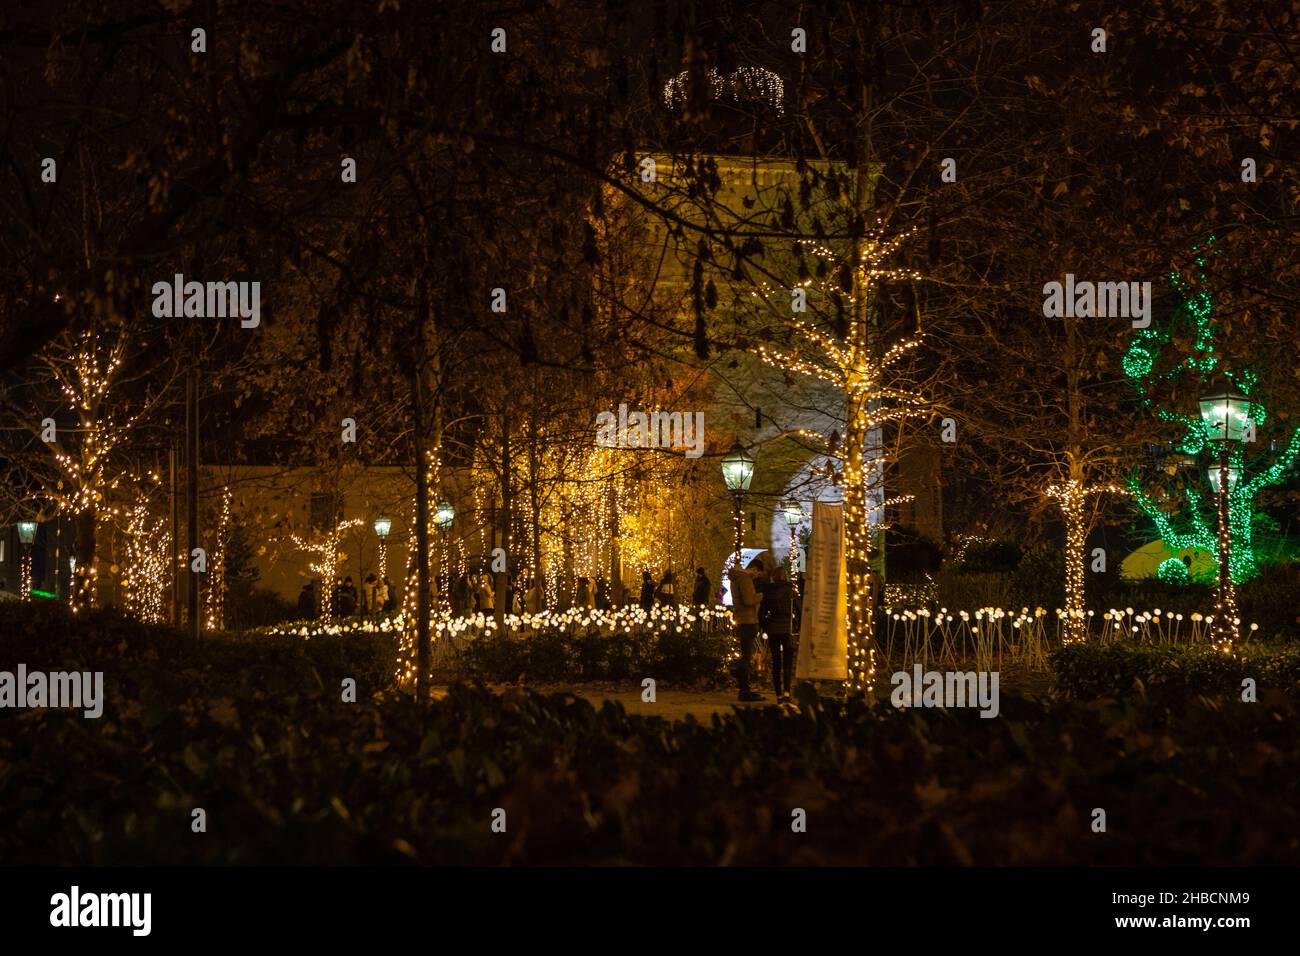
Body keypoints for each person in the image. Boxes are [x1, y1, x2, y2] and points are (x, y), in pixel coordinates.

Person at [760, 567, 802, 702]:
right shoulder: (790, 592)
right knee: (788, 663)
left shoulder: (768, 592)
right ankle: (787, 693)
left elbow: (761, 613)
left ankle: (778, 694)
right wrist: (798, 625)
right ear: (785, 577)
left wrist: (766, 625)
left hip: (773, 628)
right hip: (787, 628)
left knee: (776, 662)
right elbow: (799, 609)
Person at [730, 558, 765, 702]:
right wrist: (761, 595)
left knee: (745, 655)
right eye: (757, 574)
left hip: (741, 619)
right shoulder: (744, 579)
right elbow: (749, 600)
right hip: (748, 620)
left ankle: (743, 687)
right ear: (755, 568)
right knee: (746, 656)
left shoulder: (736, 578)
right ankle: (744, 690)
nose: (756, 577)